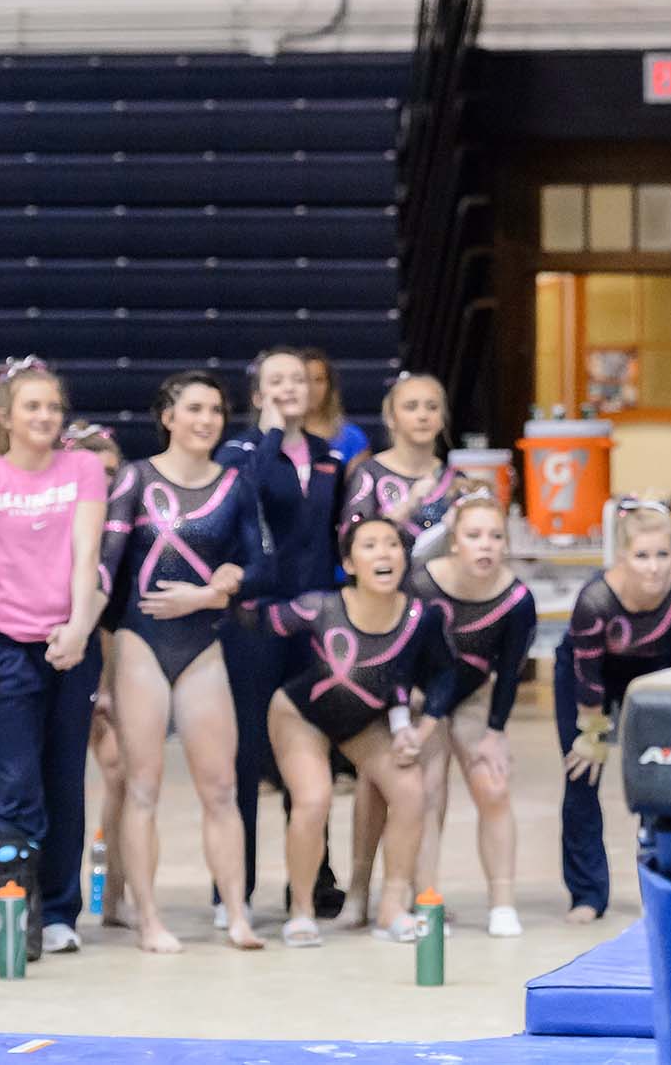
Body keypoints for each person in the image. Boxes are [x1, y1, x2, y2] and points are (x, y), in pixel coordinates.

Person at [95, 371, 266, 953]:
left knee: (220, 787)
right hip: (142, 640)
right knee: (143, 785)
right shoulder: (135, 480)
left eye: (216, 410)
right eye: (194, 408)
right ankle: (147, 917)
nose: (206, 420)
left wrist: (221, 586)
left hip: (202, 641)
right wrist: (85, 634)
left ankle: (237, 913)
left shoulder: (236, 484)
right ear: (167, 416)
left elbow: (257, 559)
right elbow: (105, 565)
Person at [0, 357, 108, 959]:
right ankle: (19, 904)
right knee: (17, 778)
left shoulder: (84, 469)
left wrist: (76, 627)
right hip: (7, 643)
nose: (45, 416)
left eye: (52, 406)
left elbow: (85, 551)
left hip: (70, 642)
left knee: (64, 775)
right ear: (5, 416)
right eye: (32, 407)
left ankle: (62, 910)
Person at [343, 485, 534, 936]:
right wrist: (402, 719)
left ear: (506, 544)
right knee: (422, 791)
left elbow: (509, 673)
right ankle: (420, 896)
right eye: (474, 535)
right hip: (416, 697)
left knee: (493, 785)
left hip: (470, 697)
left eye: (494, 536)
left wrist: (495, 733)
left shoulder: (517, 600)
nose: (485, 546)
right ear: (454, 540)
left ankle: (502, 903)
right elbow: (396, 654)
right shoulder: (422, 584)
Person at [263, 516, 454, 947]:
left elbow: (445, 675)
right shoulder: (318, 607)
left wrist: (422, 731)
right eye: (369, 546)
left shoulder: (420, 616)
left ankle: (392, 907)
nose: (384, 553)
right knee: (313, 800)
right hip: (301, 715)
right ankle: (301, 911)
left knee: (410, 792)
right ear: (349, 563)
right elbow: (254, 622)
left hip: (362, 722)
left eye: (392, 544)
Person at [213, 346, 353, 925]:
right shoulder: (239, 452)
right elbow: (235, 503)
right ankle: (232, 889)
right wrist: (268, 438)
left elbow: (336, 537)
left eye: (298, 379)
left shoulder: (328, 458)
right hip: (252, 622)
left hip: (314, 624)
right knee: (246, 755)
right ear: (257, 393)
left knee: (310, 757)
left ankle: (314, 879)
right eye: (277, 380)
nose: (290, 387)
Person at [557, 499, 671, 922]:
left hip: (655, 674)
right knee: (582, 775)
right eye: (641, 556)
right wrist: (593, 735)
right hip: (590, 678)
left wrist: (668, 722)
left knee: (663, 775)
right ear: (622, 556)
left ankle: (662, 885)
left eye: (663, 555)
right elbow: (587, 674)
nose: (654, 567)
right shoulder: (596, 600)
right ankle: (587, 894)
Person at [62, 422, 133, 931]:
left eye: (111, 472)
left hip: (113, 662)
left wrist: (109, 683)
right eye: (92, 471)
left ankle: (109, 893)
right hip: (65, 656)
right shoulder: (59, 525)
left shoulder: (125, 526)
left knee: (121, 777)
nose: (103, 481)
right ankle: (47, 891)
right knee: (57, 781)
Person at [341, 373, 459, 560]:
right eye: (411, 407)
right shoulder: (369, 474)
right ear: (390, 418)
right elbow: (350, 541)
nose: (423, 416)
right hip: (385, 585)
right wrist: (407, 507)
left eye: (432, 407)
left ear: (442, 418)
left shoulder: (455, 479)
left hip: (442, 585)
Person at [301, 348, 369, 467]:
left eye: (319, 380)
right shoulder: (277, 436)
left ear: (330, 387)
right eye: (303, 380)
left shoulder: (352, 437)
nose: (311, 388)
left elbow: (359, 484)